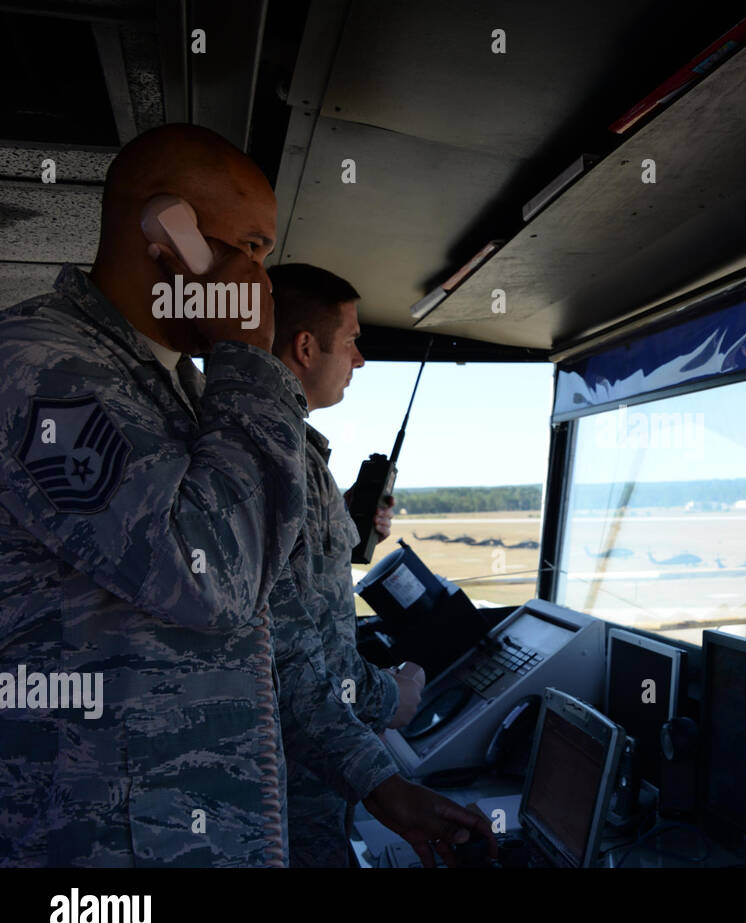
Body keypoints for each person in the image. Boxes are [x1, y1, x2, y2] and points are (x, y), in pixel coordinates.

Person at [0, 123, 490, 866]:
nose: (261, 280)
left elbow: (267, 637)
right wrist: (250, 355)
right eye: (253, 248)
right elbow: (212, 579)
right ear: (168, 237)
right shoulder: (40, 367)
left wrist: (381, 786)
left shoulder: (185, 395)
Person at [265, 262, 429, 866]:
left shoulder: (286, 449)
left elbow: (298, 586)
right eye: (352, 341)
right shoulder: (282, 455)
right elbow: (291, 654)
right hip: (295, 778)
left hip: (303, 762)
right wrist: (392, 697)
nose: (359, 359)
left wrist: (350, 522)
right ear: (306, 347)